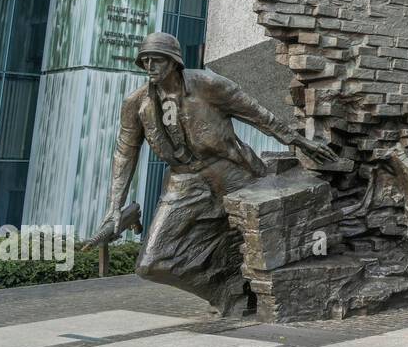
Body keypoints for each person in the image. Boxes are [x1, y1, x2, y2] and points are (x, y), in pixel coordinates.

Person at [103, 32, 337, 315]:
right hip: (184, 182)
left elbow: (257, 113)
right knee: (151, 263)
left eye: (157, 60)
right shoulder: (136, 104)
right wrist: (115, 206)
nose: (150, 66)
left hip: (234, 173)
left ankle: (276, 293)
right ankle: (229, 290)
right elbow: (125, 152)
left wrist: (298, 141)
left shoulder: (207, 85)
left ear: (174, 61)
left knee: (260, 238)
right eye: (145, 61)